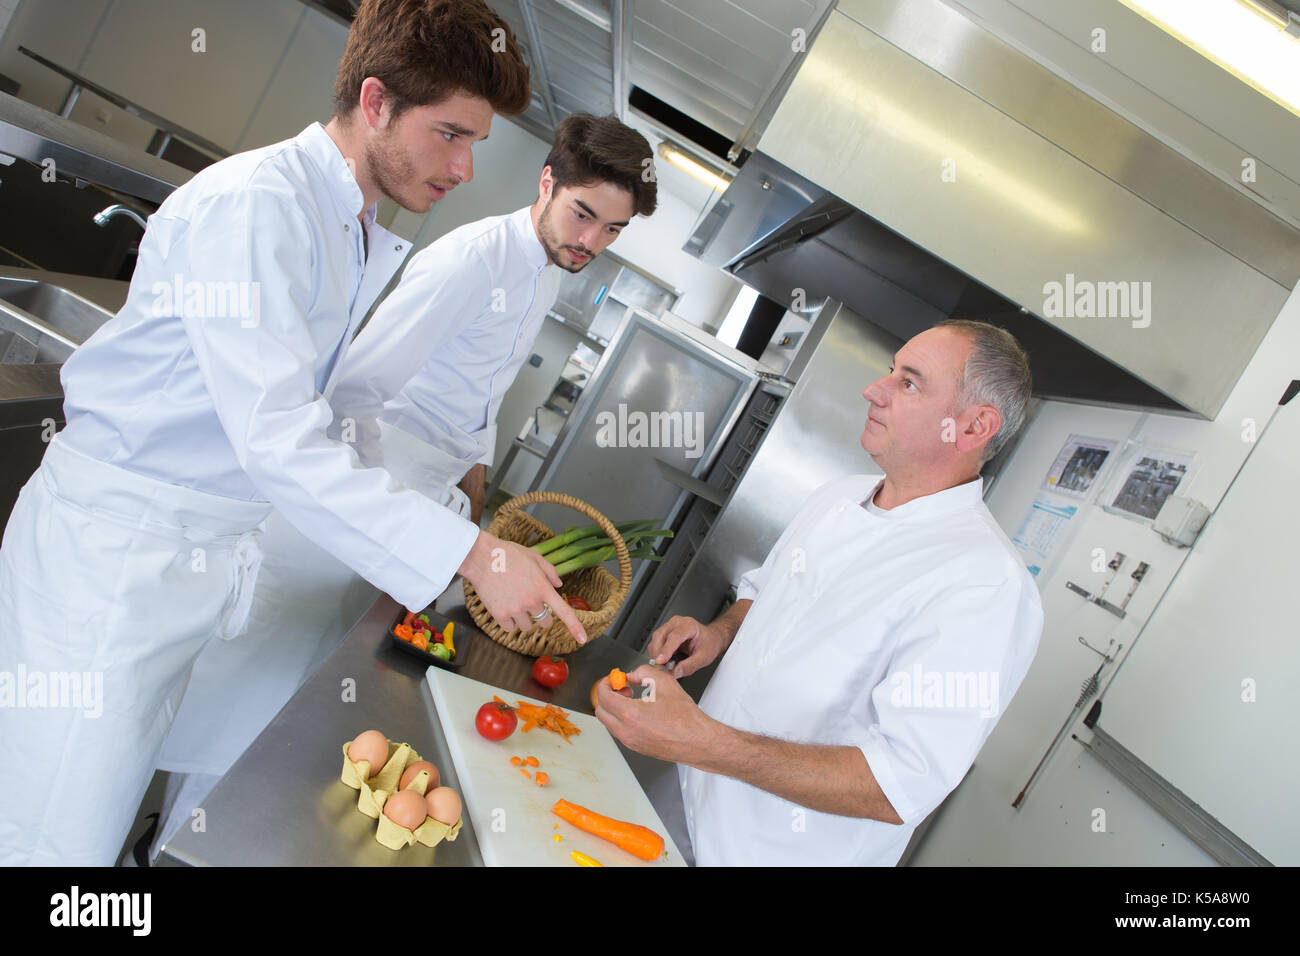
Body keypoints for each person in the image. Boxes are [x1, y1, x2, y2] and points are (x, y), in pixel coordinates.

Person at [0, 0, 591, 868]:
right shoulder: (258, 207)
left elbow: (313, 414)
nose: (465, 168)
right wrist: (470, 553)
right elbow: (279, 436)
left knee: (111, 802)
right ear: (379, 102)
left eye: (477, 144)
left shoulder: (347, 220)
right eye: (452, 135)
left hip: (190, 559)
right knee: (52, 837)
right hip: (114, 561)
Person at [148, 113, 658, 861]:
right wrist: (420, 526)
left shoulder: (542, 272)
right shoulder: (473, 259)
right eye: (584, 214)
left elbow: (477, 399)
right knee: (251, 709)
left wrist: (469, 492)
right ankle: (173, 854)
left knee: (301, 699)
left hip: (411, 509)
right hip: (354, 505)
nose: (590, 241)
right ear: (547, 182)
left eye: (612, 231)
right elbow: (358, 390)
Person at [594, 319, 1044, 866]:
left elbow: (896, 784)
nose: (873, 390)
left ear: (973, 427)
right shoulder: (841, 496)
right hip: (688, 795)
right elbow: (764, 594)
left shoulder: (985, 582)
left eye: (909, 382)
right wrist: (717, 634)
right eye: (890, 371)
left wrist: (700, 741)